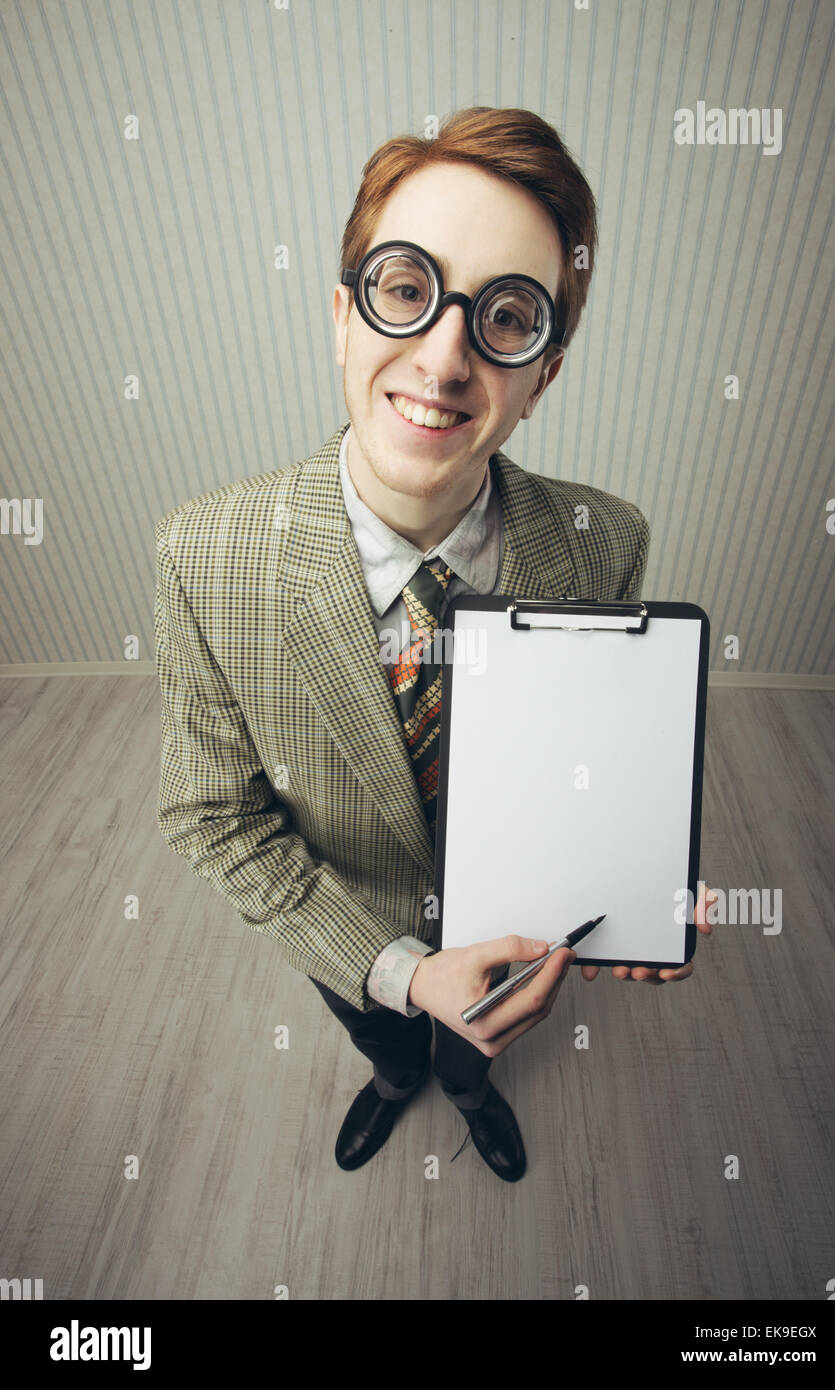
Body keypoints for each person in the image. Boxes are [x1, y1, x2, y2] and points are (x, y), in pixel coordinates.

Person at [154, 106, 711, 1185]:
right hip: (353, 935)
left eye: (505, 316)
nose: (445, 356)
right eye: (406, 290)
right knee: (393, 1038)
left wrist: (631, 876)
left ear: (540, 375)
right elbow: (212, 819)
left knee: (478, 1053)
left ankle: (466, 1090)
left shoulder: (607, 544)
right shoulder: (202, 556)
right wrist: (402, 977)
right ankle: (395, 1075)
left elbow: (590, 763)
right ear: (342, 318)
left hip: (514, 937)